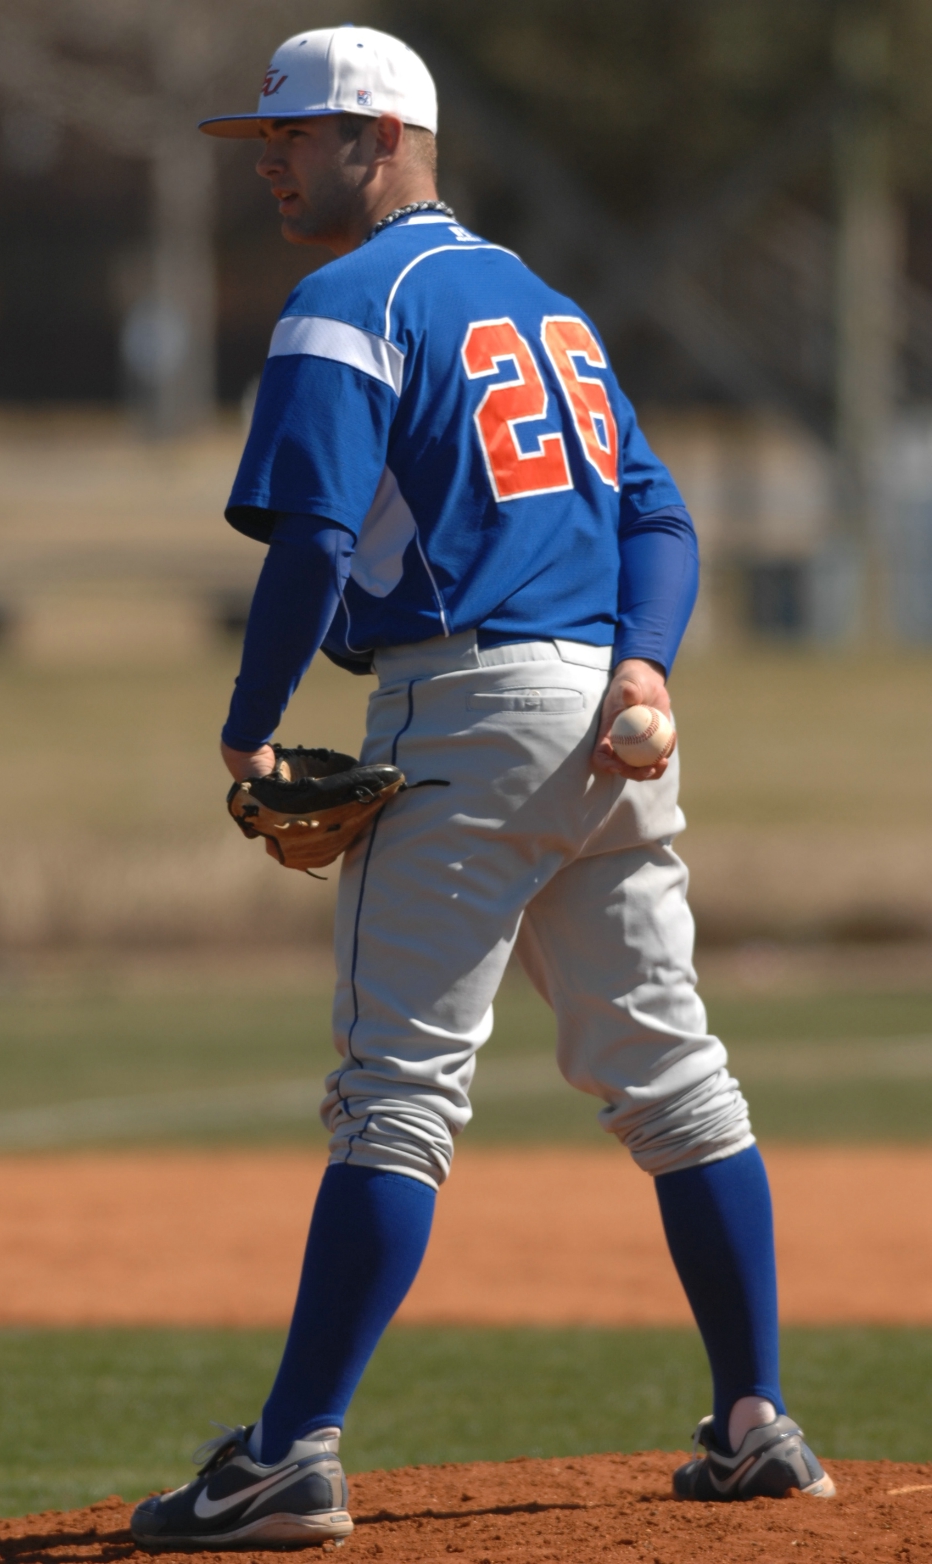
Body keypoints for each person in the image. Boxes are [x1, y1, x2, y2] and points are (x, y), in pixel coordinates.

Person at [131, 24, 834, 1552]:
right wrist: (646, 670)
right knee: (673, 1073)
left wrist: (251, 729)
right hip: (606, 717)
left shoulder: (347, 301)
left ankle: (287, 1454)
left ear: (379, 136)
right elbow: (661, 519)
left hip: (465, 706)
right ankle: (753, 1419)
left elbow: (316, 538)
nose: (267, 156)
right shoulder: (545, 303)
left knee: (394, 1094)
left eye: (293, 135)